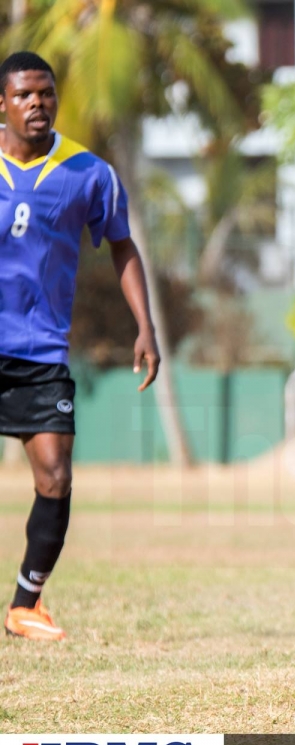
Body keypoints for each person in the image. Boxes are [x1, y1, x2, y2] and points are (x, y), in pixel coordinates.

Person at [0, 52, 159, 640]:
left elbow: (121, 246)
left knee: (55, 477)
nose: (37, 103)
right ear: (2, 103)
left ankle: (25, 604)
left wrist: (144, 326)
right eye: (23, 95)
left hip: (41, 351)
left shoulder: (89, 172)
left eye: (46, 93)